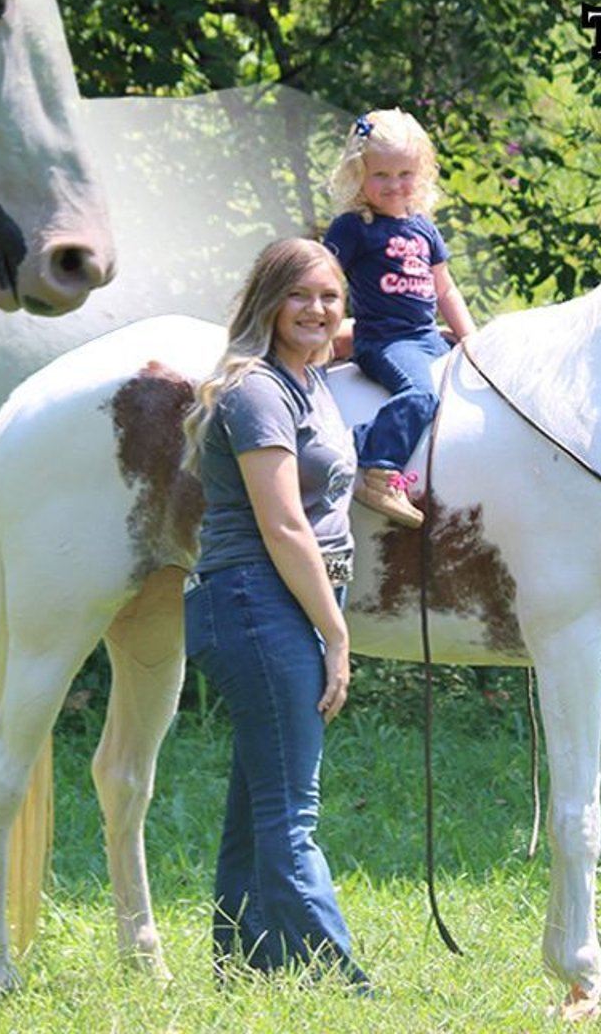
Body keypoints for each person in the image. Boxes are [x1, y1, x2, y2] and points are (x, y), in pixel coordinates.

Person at [181, 237, 368, 989]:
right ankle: (345, 985)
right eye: (301, 296)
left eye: (330, 296)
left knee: (257, 798)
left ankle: (244, 966)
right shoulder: (257, 389)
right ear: (269, 301)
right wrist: (337, 631)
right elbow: (284, 524)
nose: (318, 310)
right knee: (292, 811)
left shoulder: (309, 380)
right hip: (257, 599)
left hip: (276, 600)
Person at [322, 108, 476, 528]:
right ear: (359, 175)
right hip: (385, 340)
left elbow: (445, 290)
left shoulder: (423, 228)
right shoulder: (353, 228)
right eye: (381, 176)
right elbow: (323, 281)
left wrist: (471, 339)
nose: (394, 186)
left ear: (421, 173)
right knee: (420, 394)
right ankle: (376, 463)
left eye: (405, 174)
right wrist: (323, 332)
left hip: (426, 336)